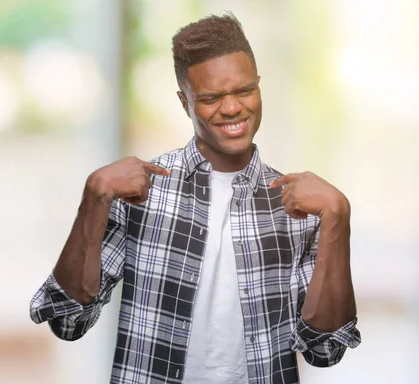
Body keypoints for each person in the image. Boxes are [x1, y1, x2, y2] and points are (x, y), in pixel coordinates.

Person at [29, 13, 361, 384]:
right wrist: (93, 200)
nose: (233, 108)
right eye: (211, 98)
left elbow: (326, 350)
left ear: (259, 86)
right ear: (185, 103)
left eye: (244, 90)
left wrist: (338, 219)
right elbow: (66, 321)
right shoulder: (140, 194)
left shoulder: (299, 206)